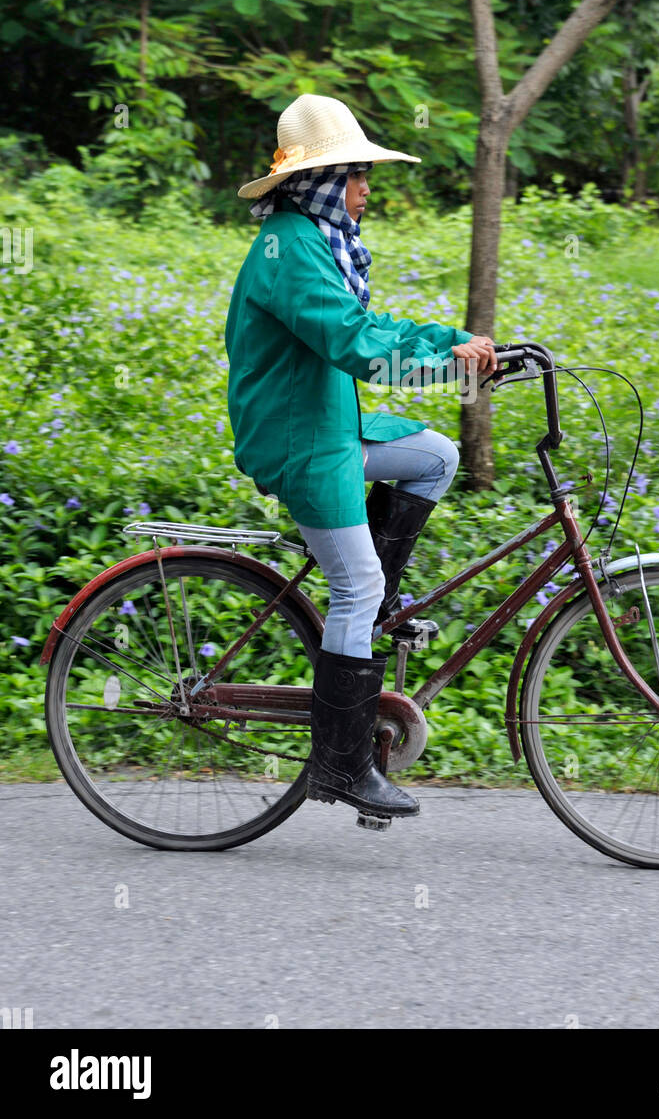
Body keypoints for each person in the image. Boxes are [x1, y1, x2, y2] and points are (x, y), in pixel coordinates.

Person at [225, 93, 497, 825]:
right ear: (322, 179)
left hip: (329, 420)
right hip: (300, 438)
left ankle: (368, 613)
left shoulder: (313, 240)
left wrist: (456, 343)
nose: (367, 190)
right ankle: (341, 768)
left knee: (435, 456)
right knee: (353, 587)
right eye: (357, 175)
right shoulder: (288, 247)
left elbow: (368, 326)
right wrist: (450, 366)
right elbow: (353, 344)